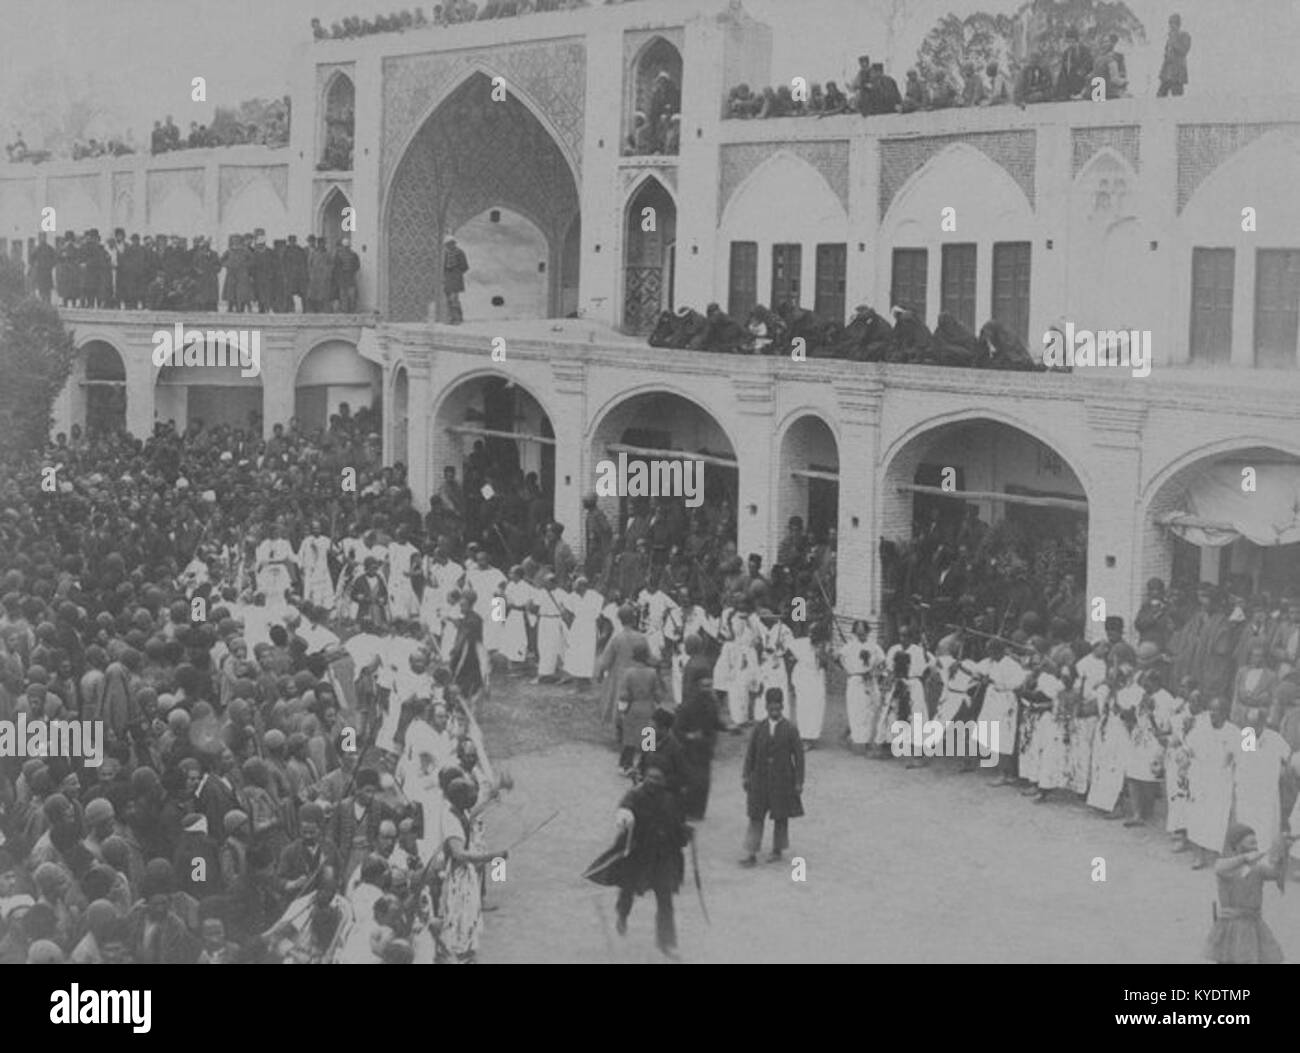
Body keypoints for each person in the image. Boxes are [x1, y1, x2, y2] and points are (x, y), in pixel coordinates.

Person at [584, 764, 690, 959]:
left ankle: (666, 942)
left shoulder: (671, 796)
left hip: (663, 856)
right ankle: (622, 913)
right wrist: (639, 773)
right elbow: (645, 756)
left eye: (657, 779)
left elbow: (677, 824)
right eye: (651, 779)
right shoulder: (638, 792)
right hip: (640, 852)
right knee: (629, 886)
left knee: (665, 899)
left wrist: (683, 833)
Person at [436, 777, 506, 964]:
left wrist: (490, 796)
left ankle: (466, 953)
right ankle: (462, 956)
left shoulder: (459, 812)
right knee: (461, 919)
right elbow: (459, 854)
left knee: (469, 917)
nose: (473, 797)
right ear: (459, 798)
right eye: (469, 794)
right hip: (458, 877)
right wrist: (492, 857)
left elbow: (473, 813)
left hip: (466, 872)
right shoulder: (451, 820)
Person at [1203, 824, 1285, 964]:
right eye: (1251, 843)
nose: (1255, 847)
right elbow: (1219, 867)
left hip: (1253, 923)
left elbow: (1275, 873)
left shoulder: (1257, 869)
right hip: (1231, 924)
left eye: (1256, 843)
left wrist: (1280, 853)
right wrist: (1244, 858)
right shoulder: (1227, 867)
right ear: (1237, 845)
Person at [740, 688, 804, 866]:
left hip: (782, 780)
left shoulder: (790, 729)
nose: (774, 712)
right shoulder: (759, 728)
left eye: (778, 708)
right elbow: (750, 754)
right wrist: (746, 775)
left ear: (782, 707)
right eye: (771, 708)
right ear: (766, 707)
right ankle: (751, 853)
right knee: (756, 816)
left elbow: (799, 758)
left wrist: (799, 781)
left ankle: (777, 849)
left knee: (780, 815)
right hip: (760, 779)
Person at [1157, 14, 1191, 97]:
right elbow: (1167, 53)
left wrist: (1174, 41)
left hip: (1178, 73)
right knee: (1160, 96)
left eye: (1173, 23)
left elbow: (1184, 50)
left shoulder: (1184, 35)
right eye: (1170, 23)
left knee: (1177, 98)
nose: (1171, 26)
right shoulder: (1170, 36)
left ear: (1178, 24)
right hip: (1167, 72)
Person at [442, 236, 468, 324]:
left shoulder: (460, 253)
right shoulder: (445, 254)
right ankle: (451, 318)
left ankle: (457, 318)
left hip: (456, 279)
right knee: (448, 300)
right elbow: (442, 266)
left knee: (454, 299)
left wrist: (457, 272)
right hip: (447, 279)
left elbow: (465, 266)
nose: (449, 246)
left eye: (451, 244)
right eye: (447, 244)